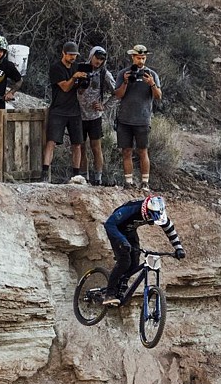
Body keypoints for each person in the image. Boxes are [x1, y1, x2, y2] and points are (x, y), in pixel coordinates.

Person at [101, 192, 186, 306]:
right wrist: (122, 241)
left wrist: (178, 248)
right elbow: (109, 224)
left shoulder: (158, 212)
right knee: (124, 261)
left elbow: (169, 229)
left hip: (130, 231)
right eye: (151, 217)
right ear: (146, 210)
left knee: (135, 263)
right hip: (116, 231)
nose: (152, 220)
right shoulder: (131, 209)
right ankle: (109, 294)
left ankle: (121, 282)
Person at [113, 44, 162, 190]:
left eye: (143, 58)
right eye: (138, 58)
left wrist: (152, 84)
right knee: (126, 151)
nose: (141, 61)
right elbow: (118, 95)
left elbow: (158, 96)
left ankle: (145, 182)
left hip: (142, 119)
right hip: (125, 119)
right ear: (132, 57)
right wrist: (125, 82)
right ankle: (128, 182)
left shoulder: (151, 74)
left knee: (143, 150)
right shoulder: (123, 73)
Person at [41, 40, 90, 184]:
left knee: (77, 143)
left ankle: (76, 174)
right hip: (58, 109)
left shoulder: (77, 67)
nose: (73, 57)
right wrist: (74, 77)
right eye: (70, 54)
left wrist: (84, 82)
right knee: (51, 141)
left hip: (74, 110)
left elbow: (80, 91)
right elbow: (65, 87)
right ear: (63, 53)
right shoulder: (56, 68)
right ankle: (45, 172)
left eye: (75, 55)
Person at [79, 46, 117, 186]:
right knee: (80, 147)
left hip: (95, 116)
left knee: (96, 147)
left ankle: (98, 178)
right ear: (91, 56)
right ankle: (83, 177)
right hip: (78, 114)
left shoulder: (104, 74)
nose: (98, 61)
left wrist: (104, 106)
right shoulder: (80, 69)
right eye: (97, 58)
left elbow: (117, 93)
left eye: (102, 59)